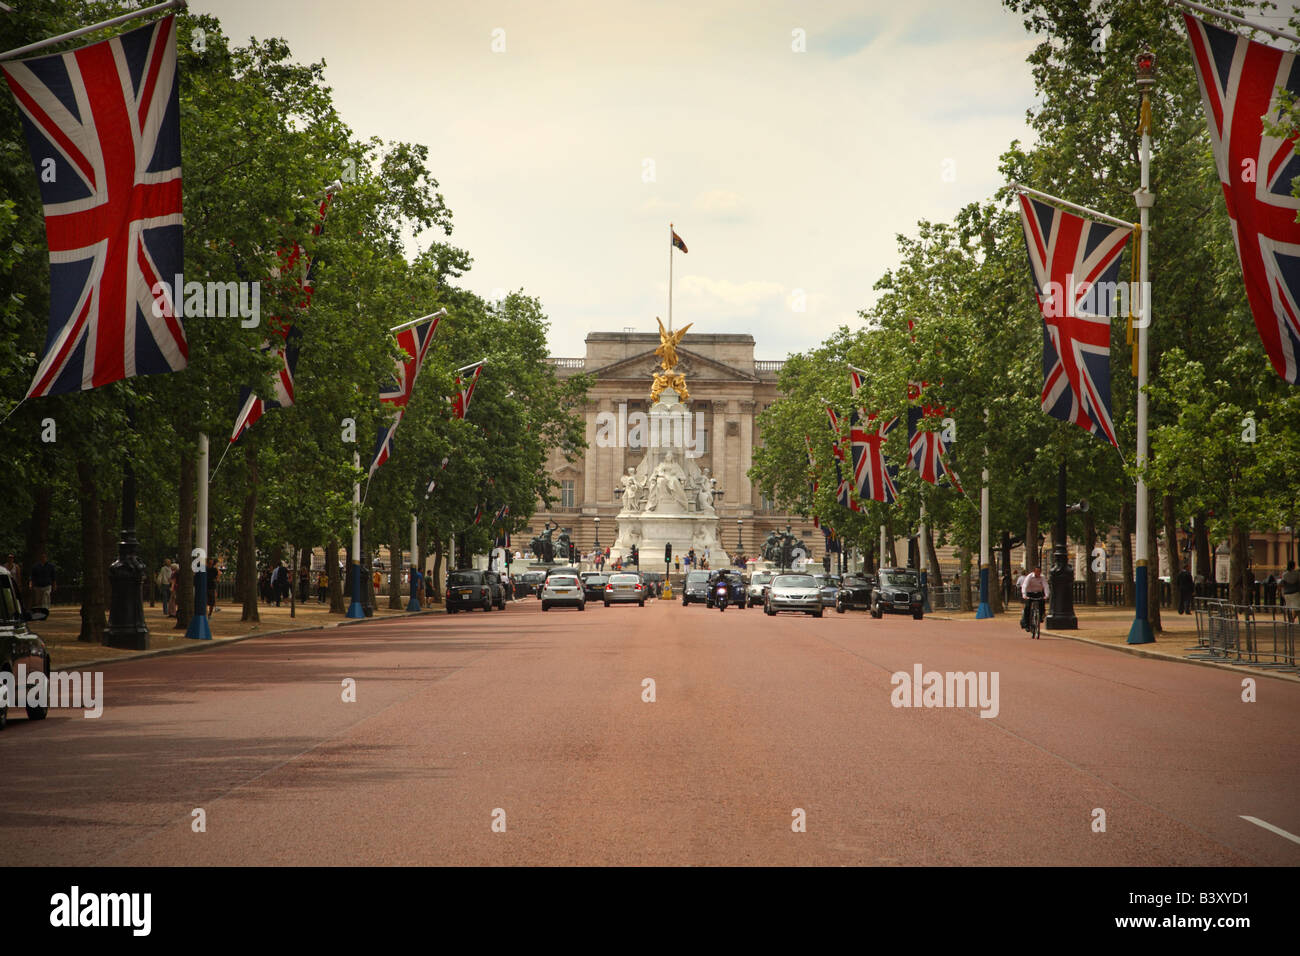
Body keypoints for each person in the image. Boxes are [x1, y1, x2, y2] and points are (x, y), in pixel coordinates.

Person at [1020, 565, 1049, 634]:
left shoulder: (1042, 577)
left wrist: (1046, 595)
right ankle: (1027, 624)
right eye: (1036, 572)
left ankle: (1041, 616)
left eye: (1039, 572)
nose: (1038, 573)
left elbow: (1046, 586)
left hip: (1038, 593)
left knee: (1042, 603)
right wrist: (1024, 594)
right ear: (1034, 571)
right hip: (1030, 593)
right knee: (1027, 607)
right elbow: (1024, 585)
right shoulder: (1029, 577)